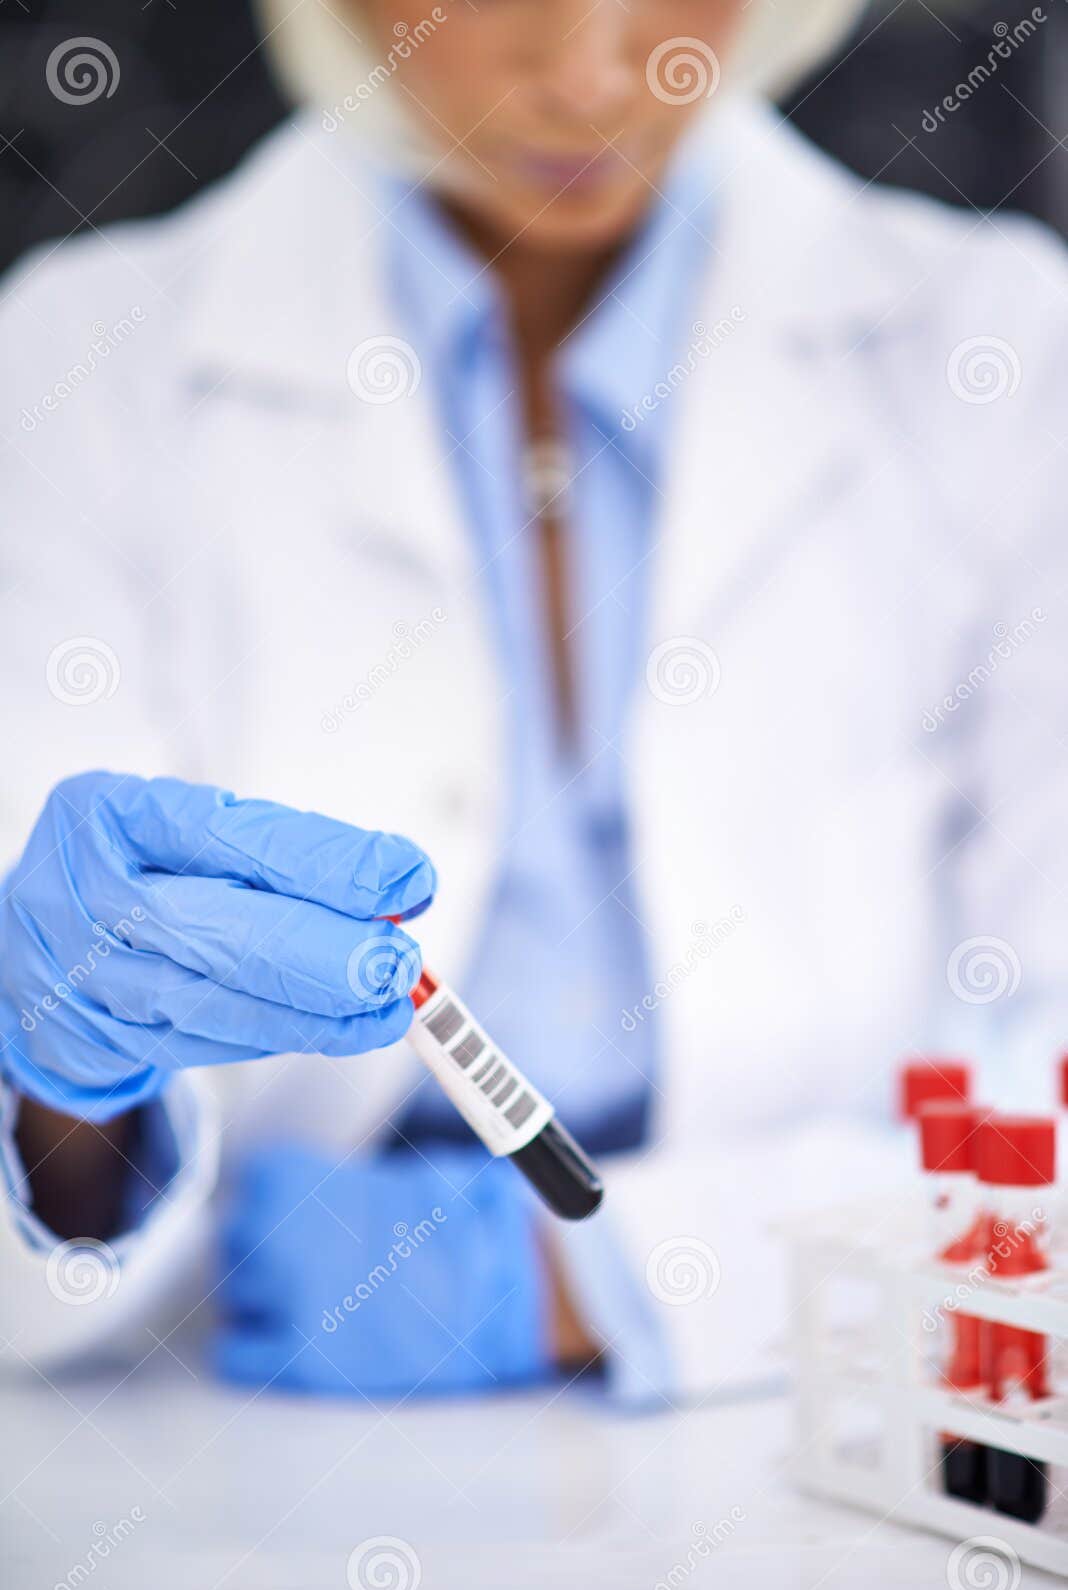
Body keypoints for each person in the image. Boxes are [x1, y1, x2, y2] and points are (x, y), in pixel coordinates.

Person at [1, 0, 1065, 1406]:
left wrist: (615, 1271)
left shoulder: (1000, 345)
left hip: (830, 1408)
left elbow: (1041, 1072)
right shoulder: (84, 358)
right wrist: (71, 1085)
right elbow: (56, 1212)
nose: (588, 73)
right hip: (236, 1412)